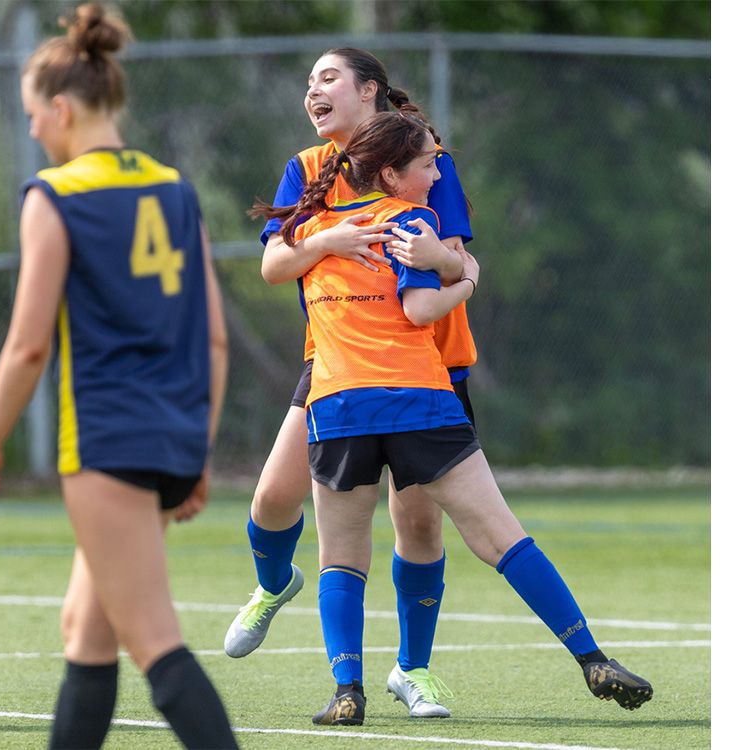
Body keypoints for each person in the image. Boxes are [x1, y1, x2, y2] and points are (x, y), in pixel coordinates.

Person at [253, 110, 653, 725]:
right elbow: (419, 311)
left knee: (341, 557)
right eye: (428, 164)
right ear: (393, 174)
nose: (438, 173)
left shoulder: (314, 231)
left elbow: (277, 265)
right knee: (502, 537)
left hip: (337, 404)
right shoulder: (411, 221)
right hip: (419, 402)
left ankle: (347, 691)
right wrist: (465, 279)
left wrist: (322, 245)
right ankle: (591, 658)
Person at [0, 5, 237, 748]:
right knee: (85, 630)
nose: (32, 132)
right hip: (174, 436)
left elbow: (27, 347)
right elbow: (215, 340)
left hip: (109, 441)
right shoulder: (176, 189)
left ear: (61, 109)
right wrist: (199, 451)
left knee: (155, 642)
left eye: (32, 116)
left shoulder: (54, 196)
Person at [225, 47, 474, 719]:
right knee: (273, 498)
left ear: (369, 91)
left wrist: (445, 261)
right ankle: (273, 584)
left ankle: (413, 671)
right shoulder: (306, 168)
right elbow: (275, 263)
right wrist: (326, 243)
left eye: (328, 77)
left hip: (423, 363)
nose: (313, 89)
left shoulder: (426, 159)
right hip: (335, 361)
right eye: (309, 81)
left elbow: (455, 259)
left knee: (416, 521)